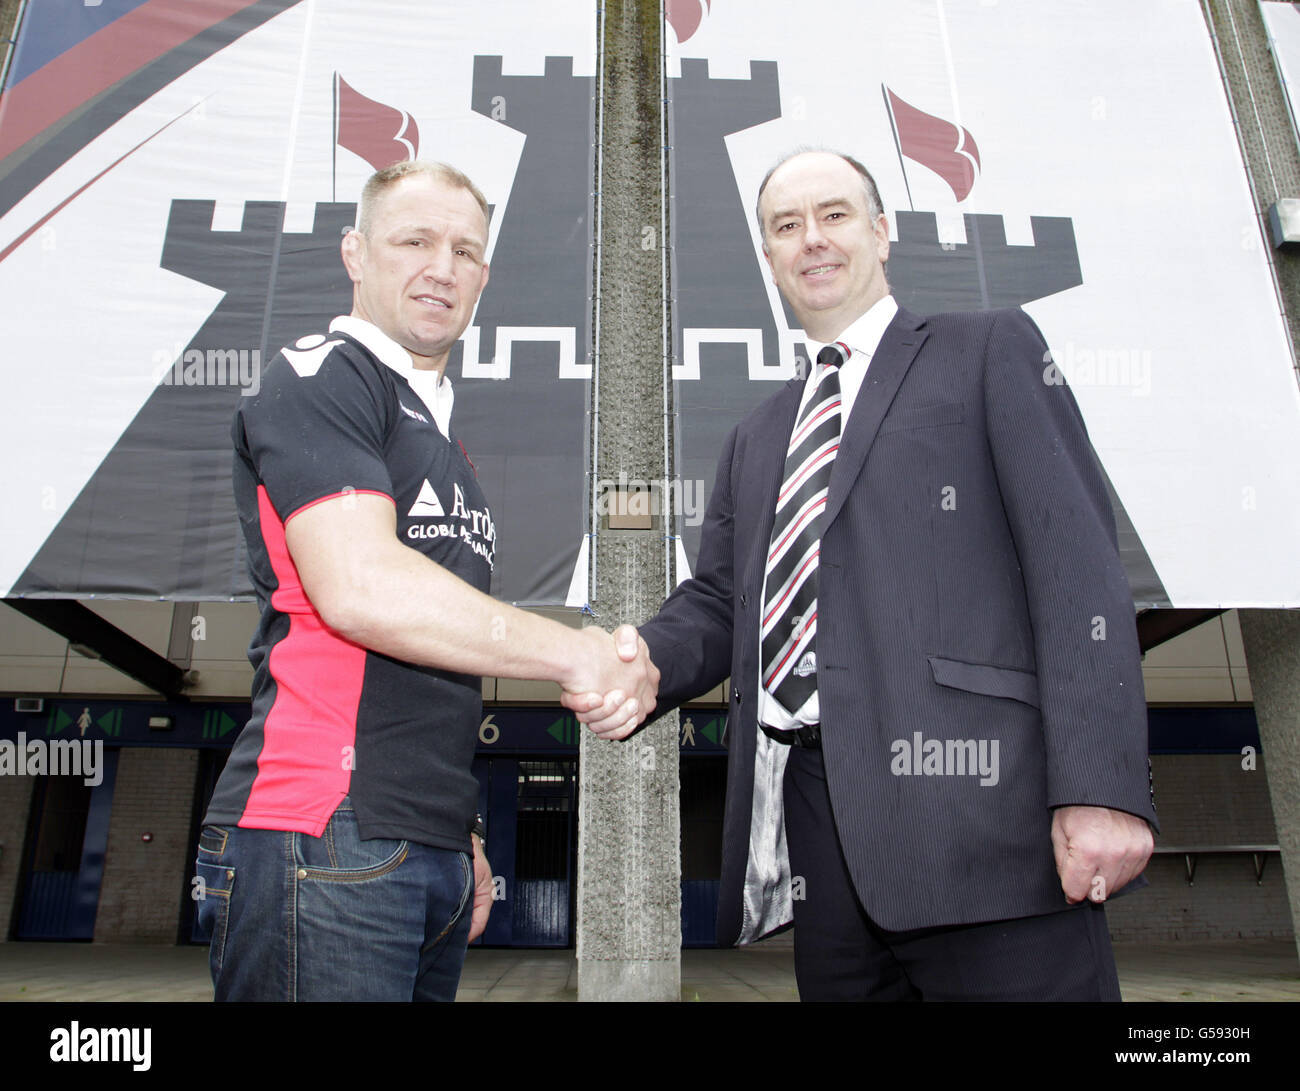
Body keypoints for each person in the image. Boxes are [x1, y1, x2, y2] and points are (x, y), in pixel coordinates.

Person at [567, 149, 1156, 1001]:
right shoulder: (756, 436)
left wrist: (1102, 788)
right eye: (786, 225)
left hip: (986, 823)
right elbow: (725, 601)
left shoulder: (987, 349)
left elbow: (1078, 574)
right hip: (822, 838)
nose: (812, 239)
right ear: (768, 257)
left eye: (834, 214)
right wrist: (647, 660)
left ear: (882, 233)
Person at [198, 160, 657, 1002]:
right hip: (325, 833)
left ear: (485, 275)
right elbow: (361, 587)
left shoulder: (442, 435)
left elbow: (440, 657)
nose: (441, 267)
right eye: (414, 240)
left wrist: (461, 827)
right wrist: (577, 654)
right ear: (355, 253)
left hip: (426, 847)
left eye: (465, 251)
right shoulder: (321, 375)